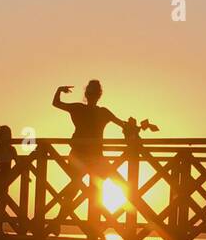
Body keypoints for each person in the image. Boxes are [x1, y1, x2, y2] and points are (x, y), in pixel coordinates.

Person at [51, 80, 153, 230]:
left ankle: (65, 223)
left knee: (75, 190)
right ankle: (97, 228)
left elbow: (56, 103)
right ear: (99, 95)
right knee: (97, 191)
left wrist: (59, 90)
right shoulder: (102, 112)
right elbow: (124, 126)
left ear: (87, 94)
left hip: (79, 156)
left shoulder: (78, 108)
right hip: (95, 158)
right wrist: (141, 126)